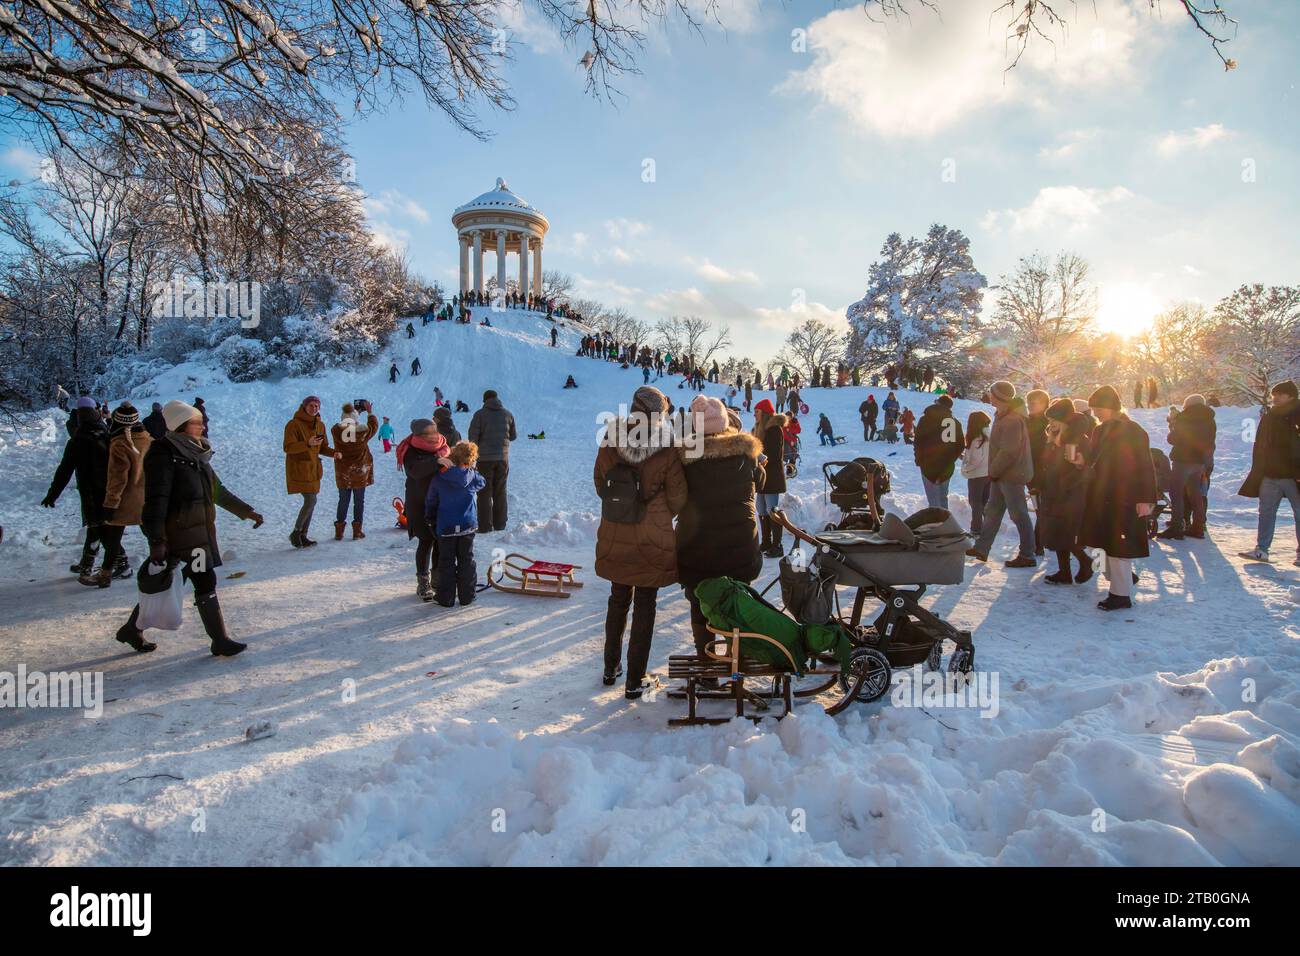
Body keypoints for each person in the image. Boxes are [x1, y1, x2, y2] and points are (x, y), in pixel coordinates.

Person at [114, 400, 264, 655]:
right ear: (182, 425)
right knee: (196, 579)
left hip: (198, 532)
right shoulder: (163, 455)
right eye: (197, 422)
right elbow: (155, 501)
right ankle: (219, 640)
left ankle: (133, 628)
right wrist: (157, 541)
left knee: (183, 579)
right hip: (177, 535)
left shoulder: (197, 453)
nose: (203, 425)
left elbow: (217, 490)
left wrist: (246, 511)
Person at [594, 386, 688, 699]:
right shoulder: (668, 444)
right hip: (652, 536)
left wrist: (623, 504)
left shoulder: (611, 437)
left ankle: (610, 667)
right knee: (645, 604)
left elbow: (600, 483)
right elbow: (678, 495)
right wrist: (659, 512)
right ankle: (635, 680)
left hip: (616, 530)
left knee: (618, 598)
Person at [676, 399, 764, 663]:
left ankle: (707, 661)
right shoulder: (745, 454)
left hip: (696, 552)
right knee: (736, 602)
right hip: (741, 551)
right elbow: (761, 481)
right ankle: (737, 659)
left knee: (699, 602)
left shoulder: (686, 457)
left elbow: (677, 499)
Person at [1079, 385, 1156, 610]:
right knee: (1096, 545)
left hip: (1125, 496)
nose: (1094, 413)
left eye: (1098, 408)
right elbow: (1095, 459)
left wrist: (1146, 498)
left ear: (1111, 406)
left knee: (1118, 547)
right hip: (1100, 494)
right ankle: (1121, 580)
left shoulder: (1133, 430)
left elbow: (1145, 466)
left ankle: (1120, 595)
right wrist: (1082, 463)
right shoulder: (1099, 430)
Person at [82, 403, 151, 588]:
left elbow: (117, 478)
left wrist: (110, 504)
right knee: (153, 535)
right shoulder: (147, 439)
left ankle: (105, 575)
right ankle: (162, 566)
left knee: (112, 539)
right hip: (146, 499)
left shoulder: (120, 443)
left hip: (124, 502)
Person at [968, 381, 1036, 568]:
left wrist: (994, 471)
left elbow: (1008, 451)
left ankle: (1028, 554)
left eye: (991, 393)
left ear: (997, 396)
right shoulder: (1003, 415)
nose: (989, 396)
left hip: (1011, 474)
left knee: (1018, 514)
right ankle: (981, 548)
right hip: (1001, 474)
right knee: (993, 511)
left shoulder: (1012, 420)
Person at [42, 396, 112, 578]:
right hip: (109, 490)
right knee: (99, 527)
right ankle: (90, 563)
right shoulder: (106, 434)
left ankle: (119, 561)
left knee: (98, 528)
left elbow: (64, 470)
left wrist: (53, 494)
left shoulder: (77, 440)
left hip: (89, 492)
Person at [1236, 379, 1300, 564]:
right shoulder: (1270, 415)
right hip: (1270, 472)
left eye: (1280, 394)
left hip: (1293, 474)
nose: (1276, 397)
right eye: (1274, 394)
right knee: (1266, 511)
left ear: (1291, 395)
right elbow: (1261, 444)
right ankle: (1262, 549)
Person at [1038, 398, 1094, 585]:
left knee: (1066, 533)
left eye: (1054, 420)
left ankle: (1085, 561)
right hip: (1054, 491)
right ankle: (1064, 572)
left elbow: (1090, 467)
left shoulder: (1080, 439)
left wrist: (1080, 465)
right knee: (1056, 533)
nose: (1051, 423)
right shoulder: (1054, 437)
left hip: (1070, 493)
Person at [425, 441, 486, 608]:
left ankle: (446, 598)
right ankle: (467, 596)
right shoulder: (472, 476)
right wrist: (471, 469)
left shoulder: (440, 477)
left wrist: (430, 517)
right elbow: (482, 482)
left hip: (446, 526)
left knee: (446, 561)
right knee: (467, 559)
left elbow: (431, 500)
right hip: (467, 525)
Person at [398, 419, 451, 600]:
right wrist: (438, 461)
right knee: (426, 541)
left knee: (440, 540)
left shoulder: (443, 445)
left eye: (434, 431)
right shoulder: (410, 450)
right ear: (419, 435)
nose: (433, 435)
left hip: (440, 502)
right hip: (419, 503)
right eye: (429, 433)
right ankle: (423, 582)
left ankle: (437, 577)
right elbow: (415, 471)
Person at [1159, 394, 1216, 540]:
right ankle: (1198, 527)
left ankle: (1176, 527)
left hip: (1182, 460)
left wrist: (1172, 426)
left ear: (1187, 404)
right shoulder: (1210, 420)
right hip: (1199, 462)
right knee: (1195, 494)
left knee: (1176, 493)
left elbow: (1173, 439)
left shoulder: (1185, 417)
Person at [283, 395, 338, 548]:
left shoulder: (320, 425)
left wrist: (334, 453)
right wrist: (307, 443)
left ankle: (302, 535)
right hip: (299, 468)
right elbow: (288, 447)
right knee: (311, 500)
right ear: (304, 406)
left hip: (313, 470)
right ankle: (296, 533)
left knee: (312, 501)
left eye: (316, 406)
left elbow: (323, 447)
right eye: (311, 405)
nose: (314, 408)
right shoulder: (293, 425)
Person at [468, 389, 517, 533]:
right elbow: (513, 436)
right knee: (500, 491)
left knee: (484, 492)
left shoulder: (479, 415)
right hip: (503, 459)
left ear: (485, 401)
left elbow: (473, 438)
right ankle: (500, 524)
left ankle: (485, 526)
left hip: (484, 460)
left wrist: (474, 454)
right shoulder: (508, 414)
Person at [331, 401, 379, 540]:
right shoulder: (363, 432)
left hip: (343, 472)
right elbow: (373, 426)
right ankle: (357, 531)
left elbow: (344, 425)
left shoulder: (336, 431)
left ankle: (339, 531)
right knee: (359, 501)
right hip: (360, 472)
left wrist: (349, 416)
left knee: (343, 500)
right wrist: (370, 412)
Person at [914, 395, 964, 510]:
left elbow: (918, 442)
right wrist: (952, 458)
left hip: (928, 464)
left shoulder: (926, 419)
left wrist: (919, 460)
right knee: (942, 497)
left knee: (933, 499)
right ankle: (945, 522)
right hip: (947, 465)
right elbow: (960, 445)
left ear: (938, 403)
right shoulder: (955, 422)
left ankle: (936, 523)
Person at [752, 398, 787, 558]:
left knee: (772, 510)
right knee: (761, 509)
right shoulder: (758, 428)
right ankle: (766, 541)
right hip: (762, 476)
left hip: (772, 475)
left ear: (764, 413)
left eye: (757, 412)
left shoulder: (774, 429)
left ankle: (777, 545)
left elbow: (773, 455)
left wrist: (757, 455)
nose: (754, 415)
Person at [1025, 389, 1050, 557]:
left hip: (1044, 472)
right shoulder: (1026, 421)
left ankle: (1038, 543)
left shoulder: (1048, 422)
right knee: (1040, 508)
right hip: (1030, 471)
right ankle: (1039, 543)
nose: (1031, 406)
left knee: (1042, 509)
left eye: (1035, 402)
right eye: (1029, 403)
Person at [961, 410, 992, 537]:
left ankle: (976, 530)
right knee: (984, 502)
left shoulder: (976, 439)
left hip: (977, 475)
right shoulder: (990, 435)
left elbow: (975, 460)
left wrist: (965, 468)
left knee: (975, 503)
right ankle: (989, 527)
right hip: (988, 474)